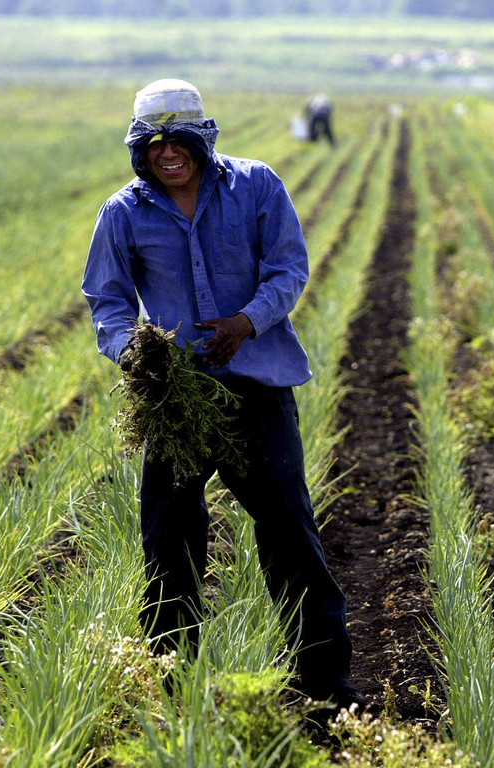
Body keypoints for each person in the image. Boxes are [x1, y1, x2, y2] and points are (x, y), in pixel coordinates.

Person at [82, 79, 363, 708]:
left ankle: (323, 682)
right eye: (153, 143)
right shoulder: (123, 212)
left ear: (200, 138)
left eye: (177, 138)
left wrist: (248, 320)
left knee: (289, 530)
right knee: (169, 539)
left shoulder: (255, 186)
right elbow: (108, 300)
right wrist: (131, 349)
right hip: (174, 400)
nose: (167, 152)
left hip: (257, 390)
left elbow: (289, 266)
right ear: (140, 151)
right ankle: (175, 684)